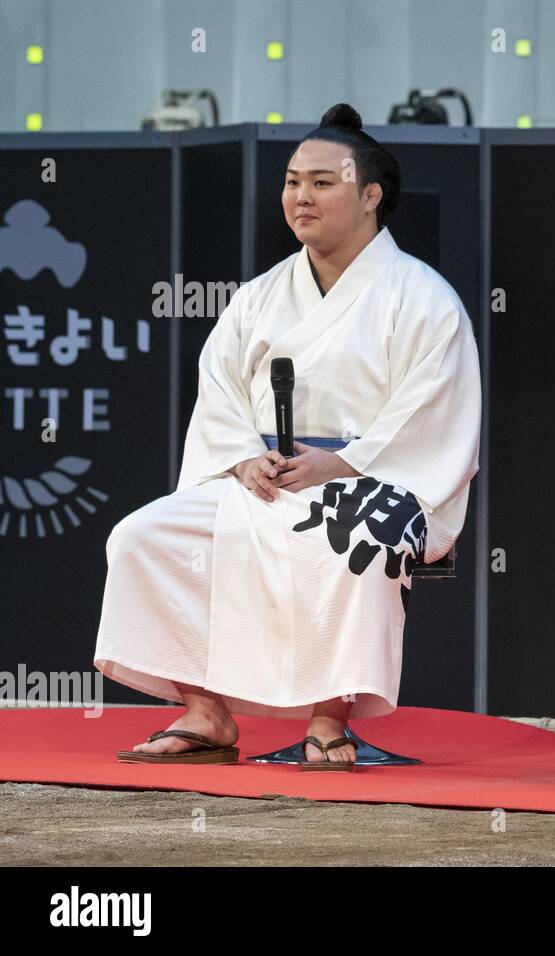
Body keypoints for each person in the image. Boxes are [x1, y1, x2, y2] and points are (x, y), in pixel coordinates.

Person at [94, 103, 482, 769]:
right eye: (291, 180)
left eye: (322, 182)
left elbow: (431, 414)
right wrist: (243, 456)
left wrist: (342, 464)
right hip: (268, 475)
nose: (300, 196)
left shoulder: (423, 298)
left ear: (370, 195)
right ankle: (206, 712)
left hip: (370, 479)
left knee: (358, 538)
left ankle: (329, 718)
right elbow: (219, 389)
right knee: (143, 536)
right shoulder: (261, 295)